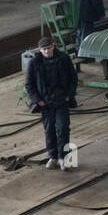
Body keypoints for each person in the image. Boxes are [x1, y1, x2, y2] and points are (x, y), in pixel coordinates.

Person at [26, 35, 78, 170]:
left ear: (53, 46)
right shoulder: (34, 63)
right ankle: (53, 157)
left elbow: (73, 78)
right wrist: (37, 100)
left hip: (61, 101)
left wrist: (69, 95)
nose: (47, 52)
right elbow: (29, 85)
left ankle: (63, 158)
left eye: (49, 48)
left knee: (62, 129)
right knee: (49, 131)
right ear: (40, 50)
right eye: (44, 49)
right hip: (46, 104)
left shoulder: (63, 59)